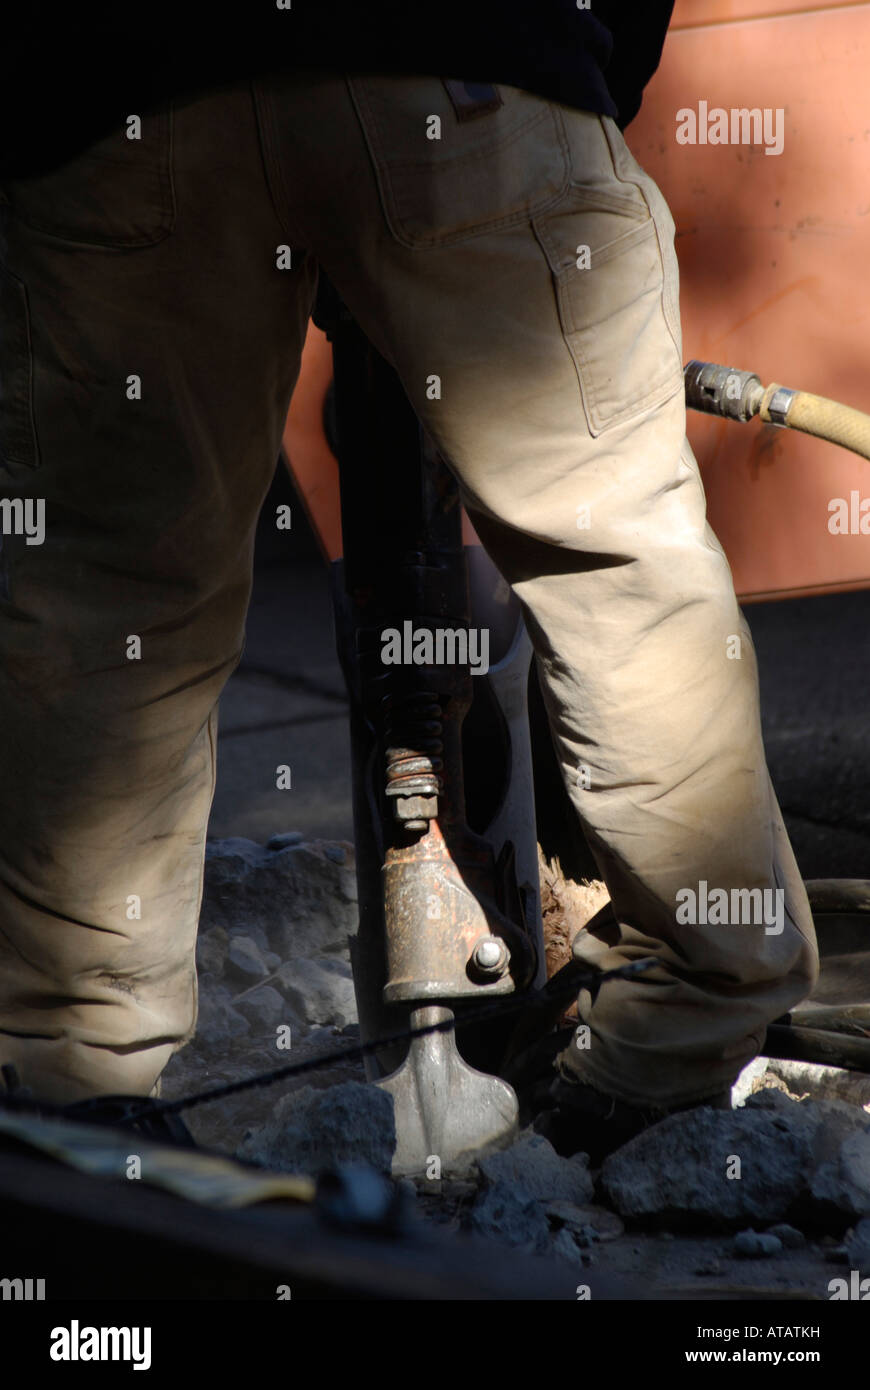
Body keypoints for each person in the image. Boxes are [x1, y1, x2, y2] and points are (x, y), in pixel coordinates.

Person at [0, 3, 817, 1154]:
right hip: (469, 59)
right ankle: (690, 1019)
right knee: (615, 562)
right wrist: (572, 60)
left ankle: (72, 1081)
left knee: (105, 602)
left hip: (132, 82)